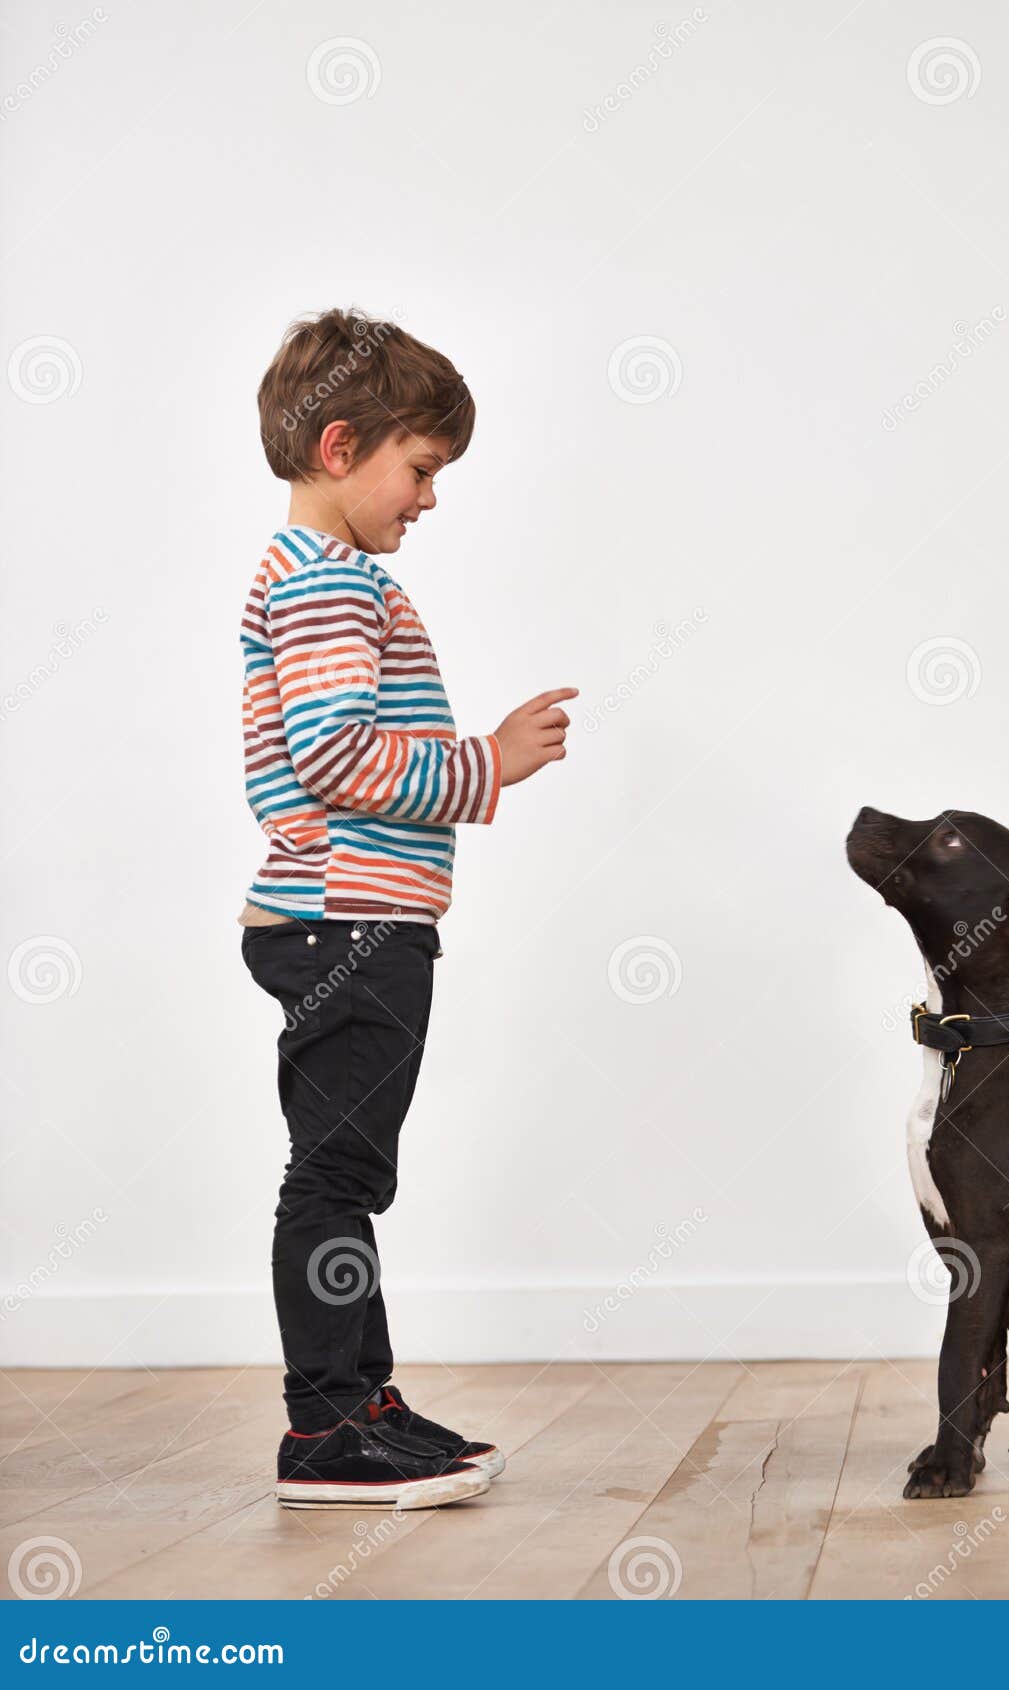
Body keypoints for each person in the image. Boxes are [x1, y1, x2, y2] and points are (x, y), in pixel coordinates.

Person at [237, 307, 576, 1509]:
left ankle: (362, 1399)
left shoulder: (322, 580)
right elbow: (335, 755)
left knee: (346, 1172)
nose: (427, 499)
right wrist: (486, 762)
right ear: (342, 447)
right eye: (419, 470)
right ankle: (324, 1424)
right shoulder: (329, 586)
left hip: (352, 920)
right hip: (344, 924)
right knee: (333, 1176)